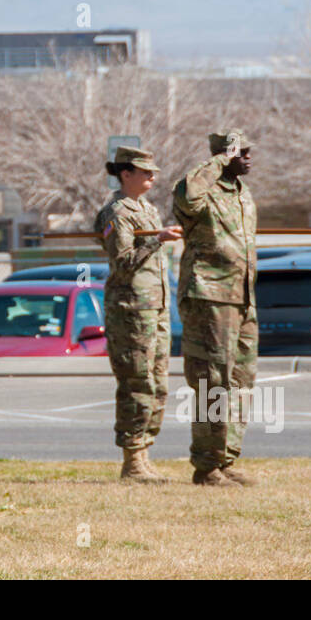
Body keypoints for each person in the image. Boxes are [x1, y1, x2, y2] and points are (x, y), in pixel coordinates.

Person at [173, 130, 259, 487]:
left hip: (242, 297)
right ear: (223, 156)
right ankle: (206, 466)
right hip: (209, 296)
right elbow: (187, 195)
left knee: (241, 380)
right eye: (242, 152)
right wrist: (219, 161)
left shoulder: (242, 192)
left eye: (250, 151)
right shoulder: (201, 189)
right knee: (212, 382)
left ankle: (225, 459)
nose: (249, 158)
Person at [94, 146, 182, 483]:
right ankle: (132, 459)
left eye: (153, 172)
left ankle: (144, 455)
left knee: (157, 384)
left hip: (155, 309)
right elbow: (124, 261)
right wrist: (157, 240)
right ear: (125, 174)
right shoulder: (117, 212)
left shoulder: (147, 209)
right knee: (136, 382)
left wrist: (158, 237)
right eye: (145, 172)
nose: (152, 177)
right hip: (131, 310)